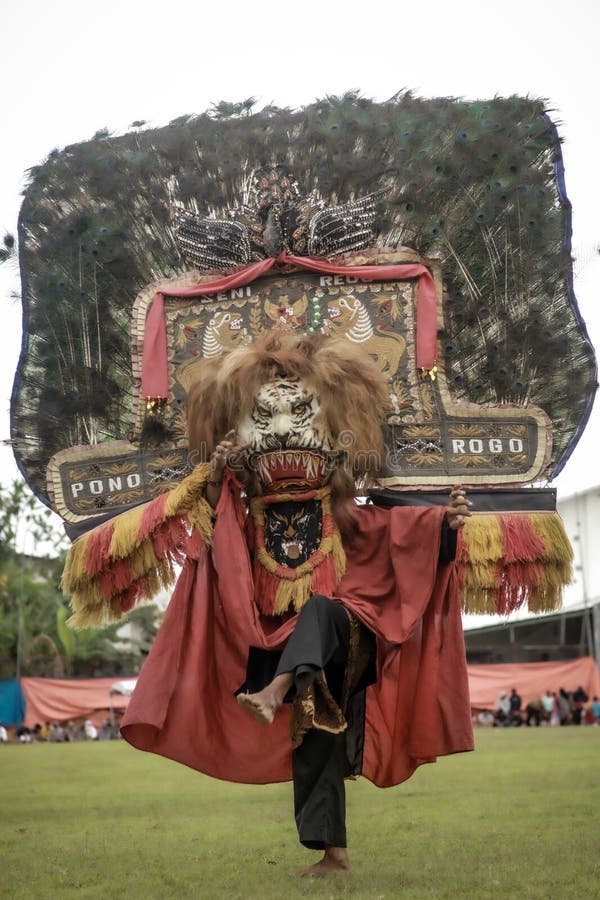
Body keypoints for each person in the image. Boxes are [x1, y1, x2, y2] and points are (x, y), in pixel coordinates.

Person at [72, 332, 475, 876]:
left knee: (320, 611)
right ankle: (334, 855)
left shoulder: (346, 513)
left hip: (347, 637)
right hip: (277, 642)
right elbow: (216, 538)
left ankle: (275, 691)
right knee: (316, 728)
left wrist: (446, 526)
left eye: (298, 412)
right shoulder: (246, 511)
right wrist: (215, 476)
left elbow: (404, 535)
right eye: (266, 415)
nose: (283, 429)